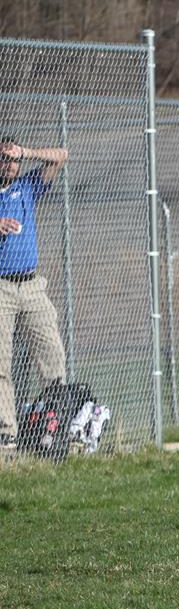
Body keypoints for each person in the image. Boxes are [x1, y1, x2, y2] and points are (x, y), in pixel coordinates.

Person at [0, 136, 69, 451]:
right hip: (2, 287)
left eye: (13, 160)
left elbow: (61, 156)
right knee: (2, 364)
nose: (9, 165)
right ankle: (7, 434)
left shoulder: (26, 185)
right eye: (4, 158)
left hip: (31, 285)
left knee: (52, 352)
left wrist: (25, 152)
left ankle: (57, 423)